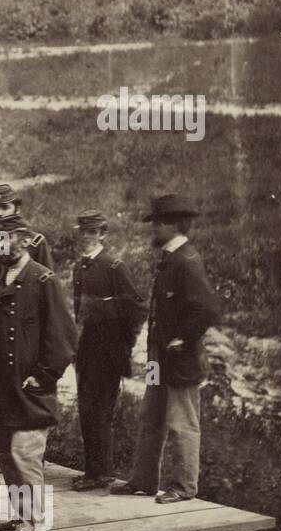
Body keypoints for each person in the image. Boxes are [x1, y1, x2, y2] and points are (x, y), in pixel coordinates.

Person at [0, 225, 76, 531]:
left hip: (32, 390)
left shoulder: (43, 279)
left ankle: (32, 525)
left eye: (9, 241)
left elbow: (63, 338)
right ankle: (21, 515)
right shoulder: (2, 278)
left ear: (26, 241)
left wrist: (44, 377)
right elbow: (7, 333)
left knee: (24, 454)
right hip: (7, 389)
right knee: (6, 453)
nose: (3, 248)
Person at [112, 195, 220, 503]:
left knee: (183, 424)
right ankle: (143, 481)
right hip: (159, 359)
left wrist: (183, 339)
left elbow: (207, 308)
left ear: (172, 225)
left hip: (179, 361)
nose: (153, 229)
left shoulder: (187, 260)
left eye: (157, 224)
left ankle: (184, 488)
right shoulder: (171, 258)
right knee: (152, 418)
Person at [70, 210, 146, 490]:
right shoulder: (80, 268)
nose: (87, 237)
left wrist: (124, 344)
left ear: (103, 234)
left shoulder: (114, 266)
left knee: (100, 410)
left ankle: (99, 473)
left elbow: (137, 308)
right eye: (83, 231)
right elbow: (79, 312)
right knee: (87, 409)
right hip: (86, 351)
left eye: (93, 232)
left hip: (108, 353)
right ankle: (95, 470)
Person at [0, 184, 54, 341]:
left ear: (17, 209)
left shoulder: (35, 243)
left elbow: (47, 293)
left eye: (5, 207)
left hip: (24, 329)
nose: (0, 214)